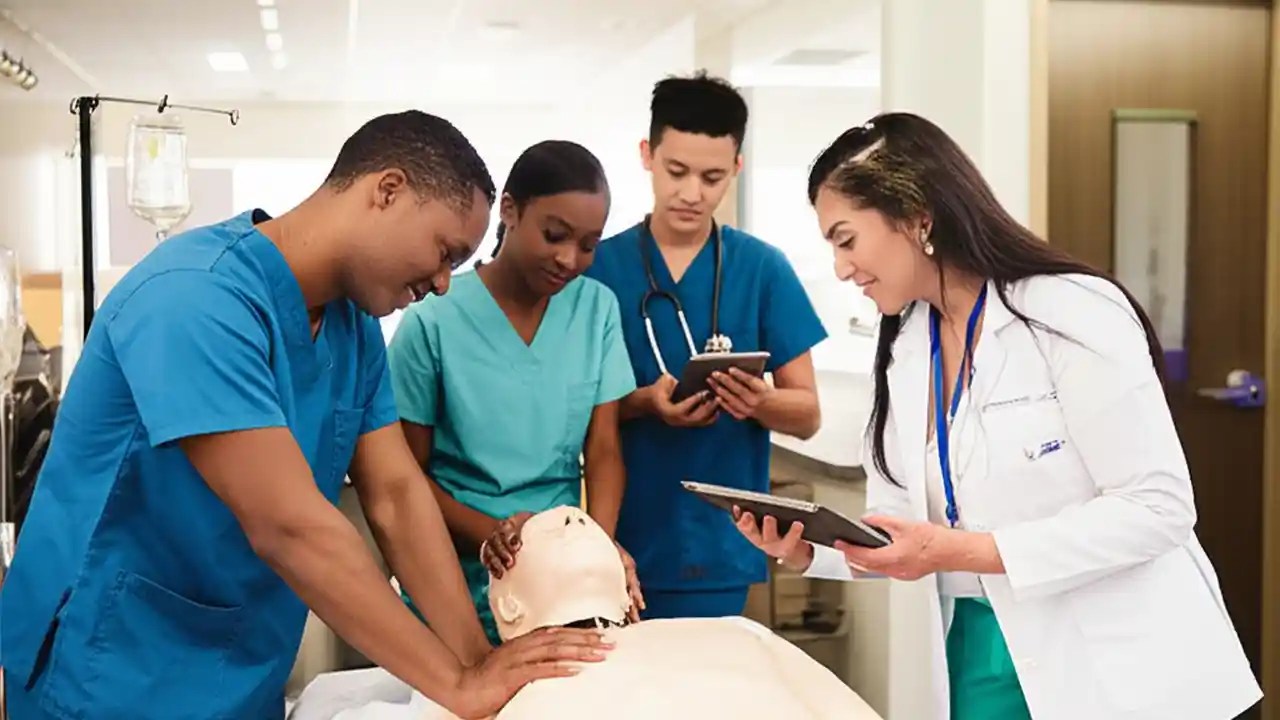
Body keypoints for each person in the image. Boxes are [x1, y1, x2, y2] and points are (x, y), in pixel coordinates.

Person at [0, 111, 610, 720]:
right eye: (445, 251)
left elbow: (397, 496)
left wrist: (480, 668)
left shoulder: (354, 330)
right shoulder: (193, 296)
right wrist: (456, 684)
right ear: (387, 191)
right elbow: (288, 526)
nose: (446, 283)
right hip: (111, 668)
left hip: (238, 668)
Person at [733, 112, 1262, 720]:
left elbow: (1158, 506)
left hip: (1119, 663)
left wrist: (965, 550)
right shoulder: (907, 347)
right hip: (983, 651)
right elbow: (904, 529)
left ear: (918, 219)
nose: (841, 268)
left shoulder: (1069, 312)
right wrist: (811, 552)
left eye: (846, 239)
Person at [583, 71, 828, 621]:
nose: (692, 193)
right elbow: (568, 411)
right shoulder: (597, 268)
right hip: (615, 543)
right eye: (677, 171)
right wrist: (646, 403)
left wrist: (759, 402)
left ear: (737, 169)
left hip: (722, 547)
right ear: (647, 155)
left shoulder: (763, 269)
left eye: (713, 177)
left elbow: (807, 413)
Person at [386, 140, 643, 647]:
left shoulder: (597, 310)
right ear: (509, 210)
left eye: (589, 244)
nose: (570, 259)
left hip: (562, 592)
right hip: (453, 583)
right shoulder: (432, 320)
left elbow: (605, 448)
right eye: (554, 235)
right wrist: (492, 535)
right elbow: (403, 476)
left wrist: (597, 547)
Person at [287, 506, 884, 720]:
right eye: (545, 531)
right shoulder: (486, 694)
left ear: (631, 590)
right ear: (507, 606)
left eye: (580, 520)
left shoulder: (738, 631)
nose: (568, 514)